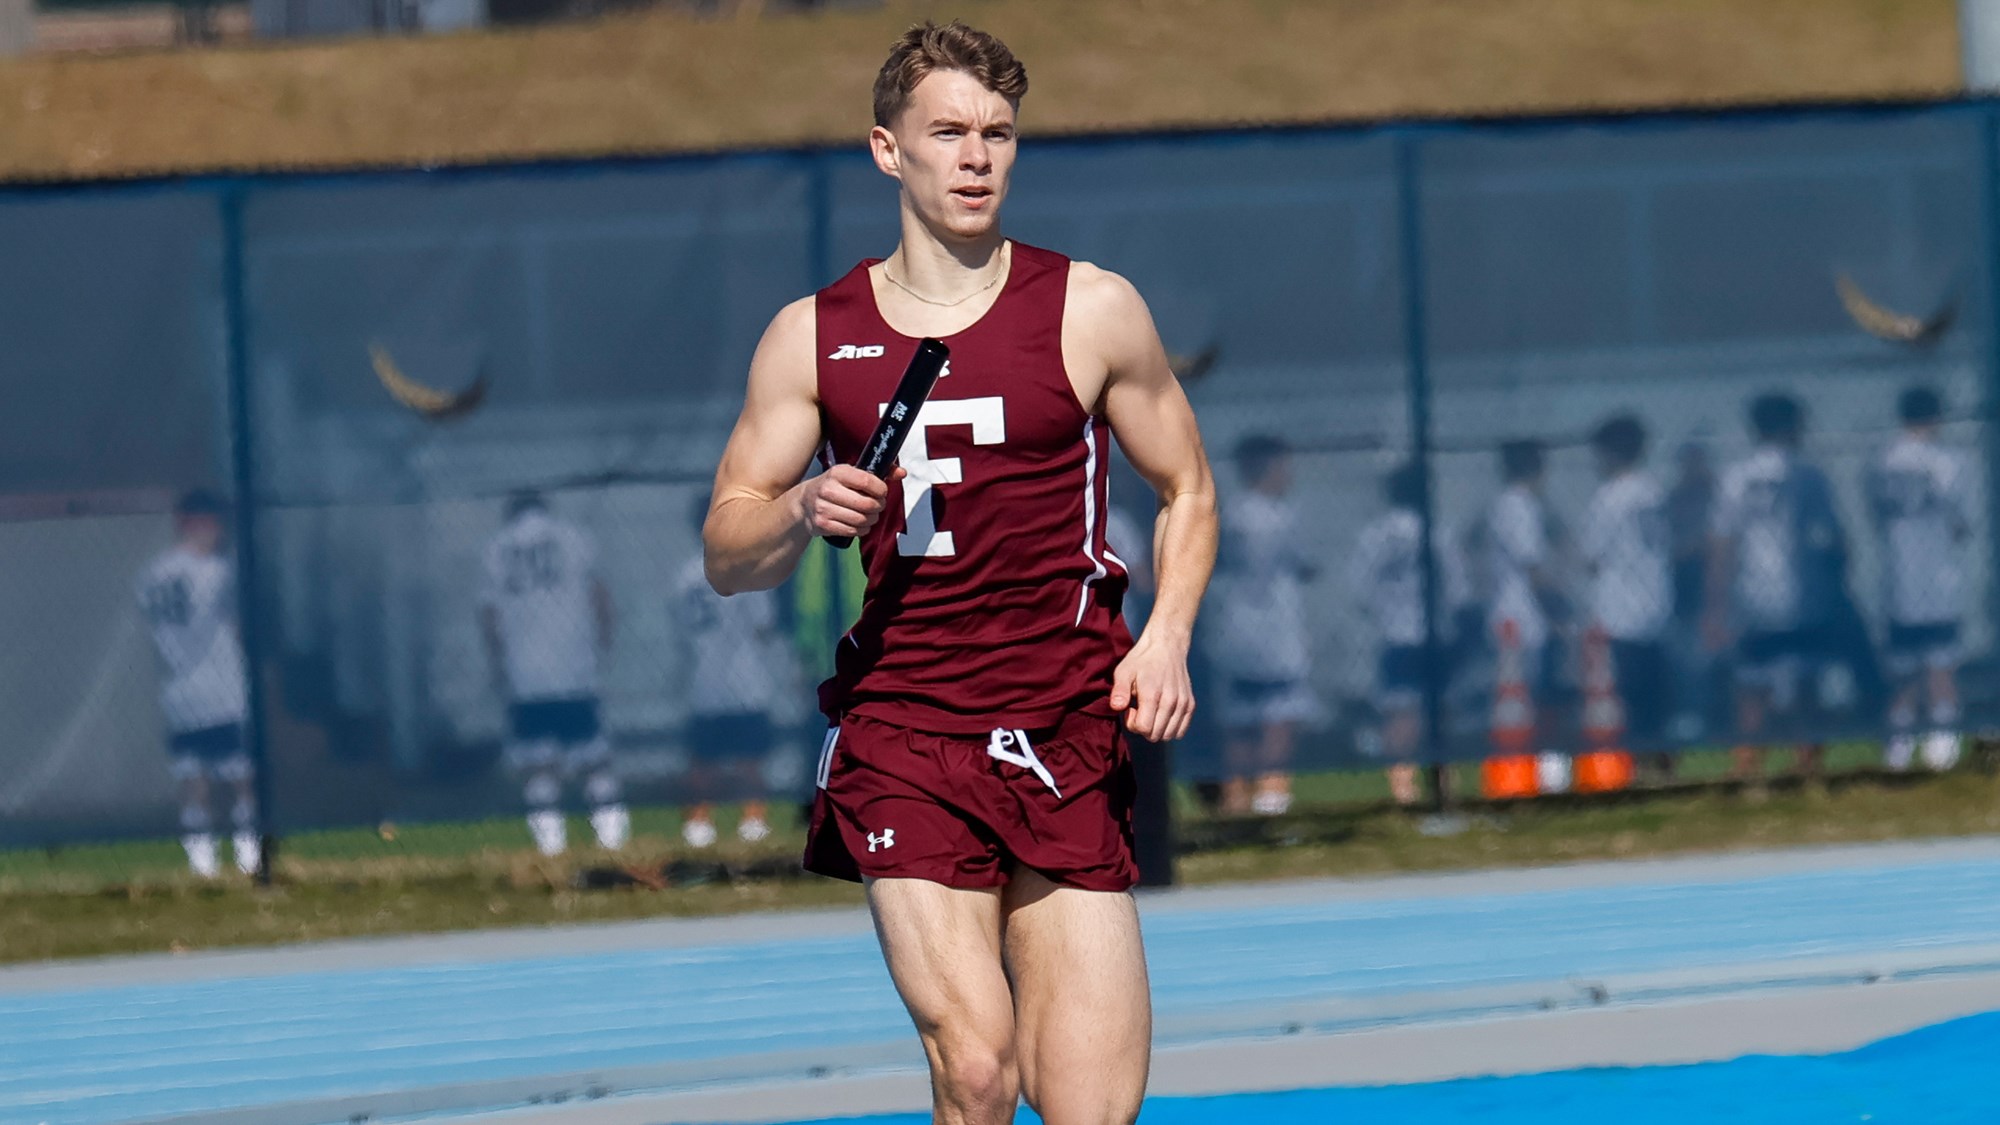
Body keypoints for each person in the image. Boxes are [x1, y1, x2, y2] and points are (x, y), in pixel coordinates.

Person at [702, 21, 1217, 1125]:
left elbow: (1187, 490)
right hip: (907, 730)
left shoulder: (1090, 308)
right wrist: (797, 506)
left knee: (1091, 1108)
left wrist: (1165, 633)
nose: (976, 156)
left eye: (997, 133)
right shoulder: (811, 337)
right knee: (976, 1068)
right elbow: (726, 548)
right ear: (888, 150)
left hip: (1066, 724)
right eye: (948, 132)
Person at [1704, 393, 1846, 785]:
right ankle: (1808, 759)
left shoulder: (1736, 477)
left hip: (1753, 594)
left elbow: (1722, 544)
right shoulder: (1809, 474)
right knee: (1804, 679)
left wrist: (1716, 605)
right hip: (1802, 594)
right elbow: (1832, 537)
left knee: (1753, 682)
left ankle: (1749, 759)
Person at [479, 490, 626, 857]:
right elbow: (599, 595)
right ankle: (611, 837)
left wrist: (498, 664)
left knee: (538, 762)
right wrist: (603, 643)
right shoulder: (573, 538)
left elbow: (490, 616)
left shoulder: (496, 549)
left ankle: (551, 845)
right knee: (593, 757)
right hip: (573, 663)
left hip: (525, 670)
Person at [138, 489, 258, 879]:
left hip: (177, 691)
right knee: (239, 775)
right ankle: (248, 853)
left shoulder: (153, 573)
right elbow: (238, 625)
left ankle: (201, 860)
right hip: (222, 687)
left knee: (193, 777)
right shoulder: (218, 573)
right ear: (197, 523)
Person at [671, 493, 795, 847]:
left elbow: (681, 632)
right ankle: (752, 821)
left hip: (703, 679)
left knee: (704, 757)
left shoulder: (684, 575)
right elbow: (763, 624)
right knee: (749, 756)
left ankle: (698, 825)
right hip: (746, 678)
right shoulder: (745, 567)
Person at [1206, 434, 1318, 816]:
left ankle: (1235, 798)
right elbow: (1303, 563)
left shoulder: (1229, 513)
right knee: (1278, 715)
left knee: (1238, 718)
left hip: (1234, 630)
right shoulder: (1278, 516)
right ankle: (1271, 796)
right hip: (1274, 633)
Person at [1866, 385, 1971, 772]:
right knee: (1941, 662)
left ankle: (1898, 743)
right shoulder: (1947, 461)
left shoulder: (1883, 460)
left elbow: (1875, 517)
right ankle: (1941, 743)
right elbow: (1960, 524)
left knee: (1903, 665)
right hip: (1938, 578)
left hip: (1898, 577)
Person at [1348, 462, 1464, 806]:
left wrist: (1387, 611)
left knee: (1399, 712)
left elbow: (1360, 589)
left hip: (1396, 634)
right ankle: (1444, 787)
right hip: (1435, 633)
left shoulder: (1375, 534)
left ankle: (1403, 789)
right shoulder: (1440, 531)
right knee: (1439, 712)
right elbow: (1457, 589)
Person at [1580, 415, 1674, 763]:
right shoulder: (1653, 492)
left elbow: (1591, 557)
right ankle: (1659, 757)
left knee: (1626, 694)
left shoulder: (1608, 498)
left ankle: (1637, 759)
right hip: (1656, 603)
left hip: (1620, 609)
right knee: (1655, 692)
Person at [1482, 439, 1567, 744]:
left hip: (1519, 616)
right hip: (1520, 619)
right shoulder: (1519, 505)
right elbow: (1533, 568)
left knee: (1525, 700)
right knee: (1526, 699)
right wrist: (1558, 612)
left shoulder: (1509, 504)